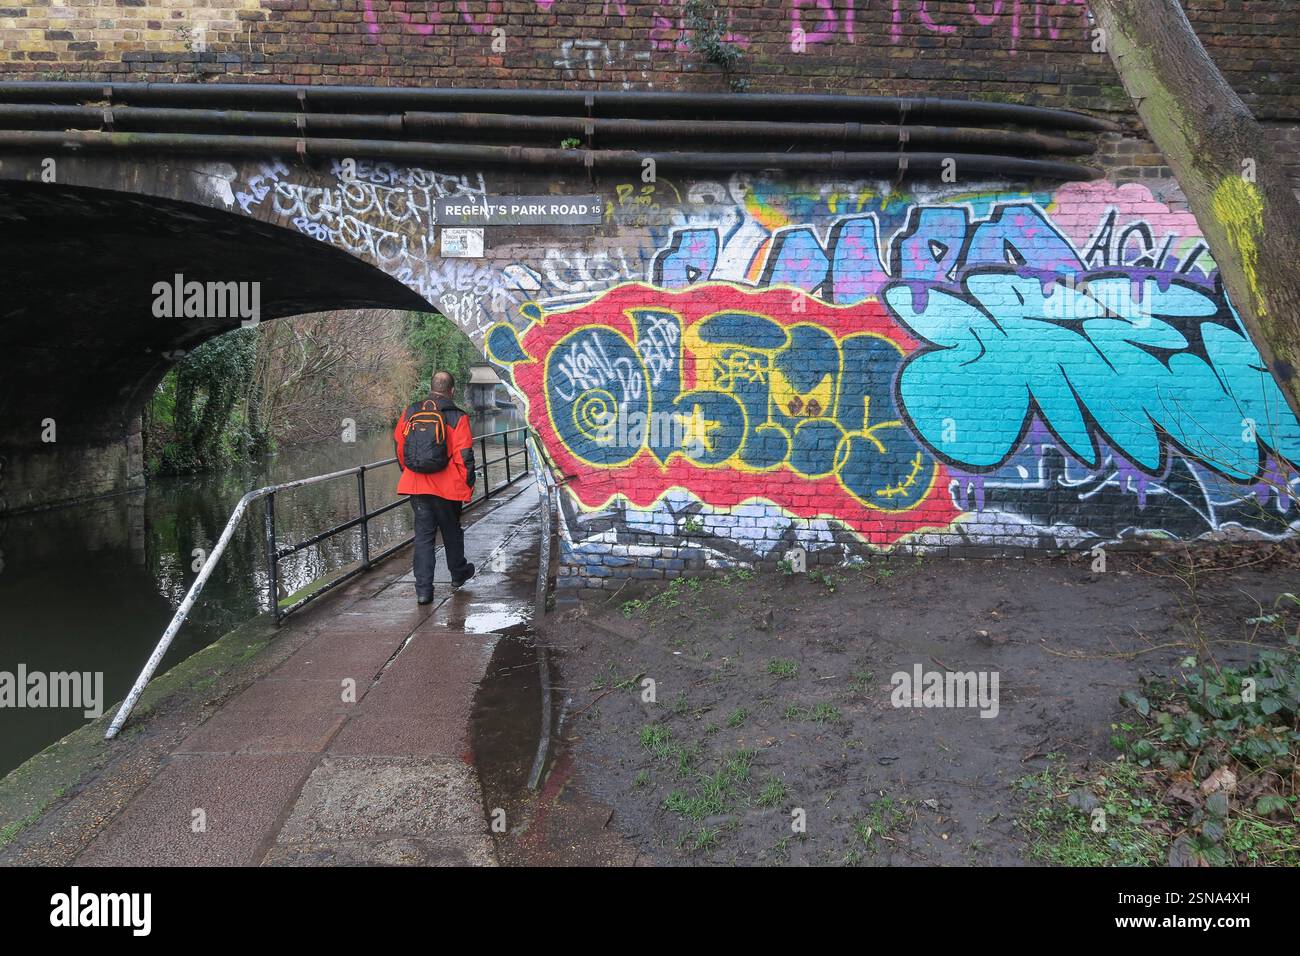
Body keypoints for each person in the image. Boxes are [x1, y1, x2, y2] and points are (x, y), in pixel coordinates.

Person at [393, 370, 477, 604]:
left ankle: (423, 591)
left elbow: (400, 445)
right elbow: (464, 456)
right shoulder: (457, 417)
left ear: (430, 387)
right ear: (451, 391)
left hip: (416, 485)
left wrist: (408, 472)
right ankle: (458, 575)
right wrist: (467, 486)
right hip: (447, 487)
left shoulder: (411, 411)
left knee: (423, 537)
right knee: (451, 532)